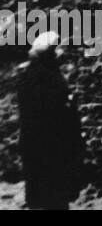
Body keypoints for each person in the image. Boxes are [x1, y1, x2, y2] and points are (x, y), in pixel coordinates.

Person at [17, 31, 83, 210]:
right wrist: (69, 104)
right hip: (52, 145)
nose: (58, 55)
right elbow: (53, 110)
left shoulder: (27, 75)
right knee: (55, 198)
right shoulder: (48, 76)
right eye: (55, 51)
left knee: (41, 197)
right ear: (49, 53)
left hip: (35, 145)